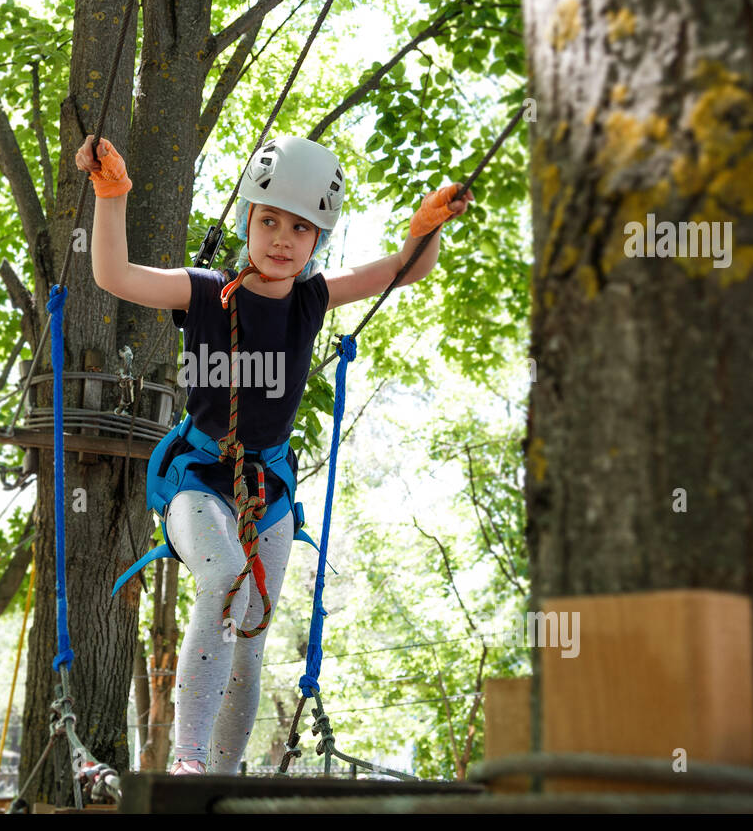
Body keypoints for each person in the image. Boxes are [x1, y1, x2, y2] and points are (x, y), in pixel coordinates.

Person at [76, 133, 471, 775]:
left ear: (317, 240)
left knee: (252, 632)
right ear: (247, 222)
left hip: (270, 489)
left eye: (300, 227)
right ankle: (190, 759)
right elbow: (114, 276)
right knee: (227, 580)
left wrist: (423, 230)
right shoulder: (204, 293)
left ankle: (222, 780)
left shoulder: (312, 299)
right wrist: (112, 196)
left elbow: (406, 269)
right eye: (269, 221)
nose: (283, 238)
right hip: (199, 478)